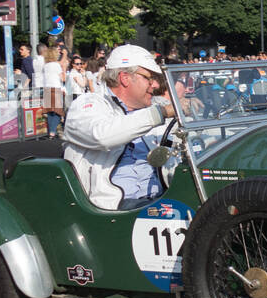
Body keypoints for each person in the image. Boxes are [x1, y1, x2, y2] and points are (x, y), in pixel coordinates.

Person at [62, 45, 175, 210]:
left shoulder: (153, 108)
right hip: (113, 209)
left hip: (160, 201)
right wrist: (161, 113)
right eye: (148, 78)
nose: (155, 85)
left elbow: (180, 140)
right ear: (125, 78)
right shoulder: (88, 103)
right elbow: (102, 135)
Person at [41, 46, 67, 137]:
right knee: (57, 112)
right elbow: (62, 78)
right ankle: (52, 131)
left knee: (50, 112)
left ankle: (51, 131)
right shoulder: (56, 65)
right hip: (56, 88)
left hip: (47, 89)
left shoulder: (45, 66)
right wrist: (64, 70)